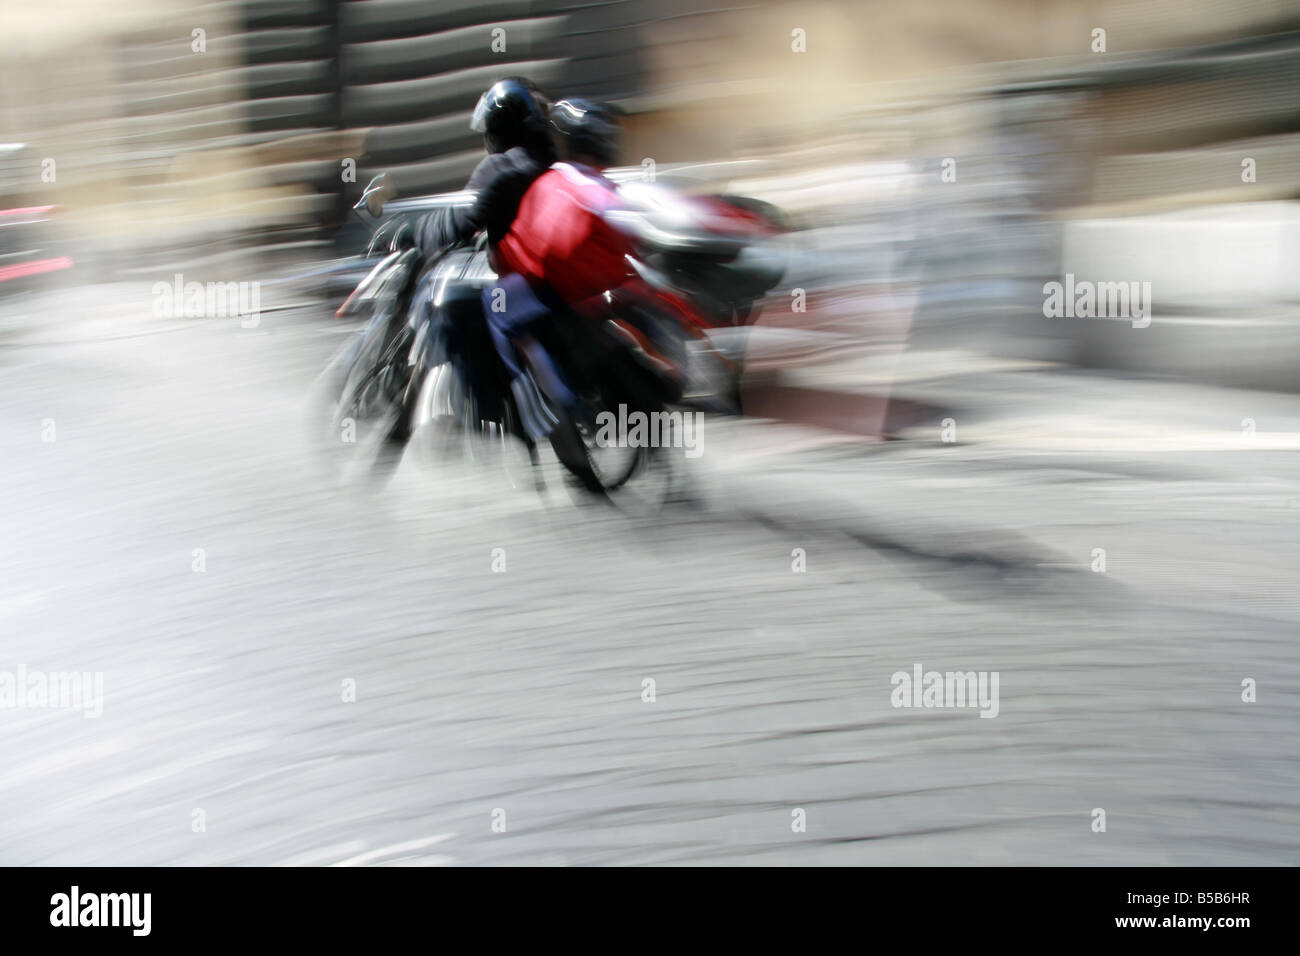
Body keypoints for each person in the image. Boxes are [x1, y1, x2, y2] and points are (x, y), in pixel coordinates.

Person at [487, 98, 635, 438]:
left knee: (502, 314)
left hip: (555, 287)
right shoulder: (593, 184)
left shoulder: (547, 178)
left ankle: (557, 409)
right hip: (593, 289)